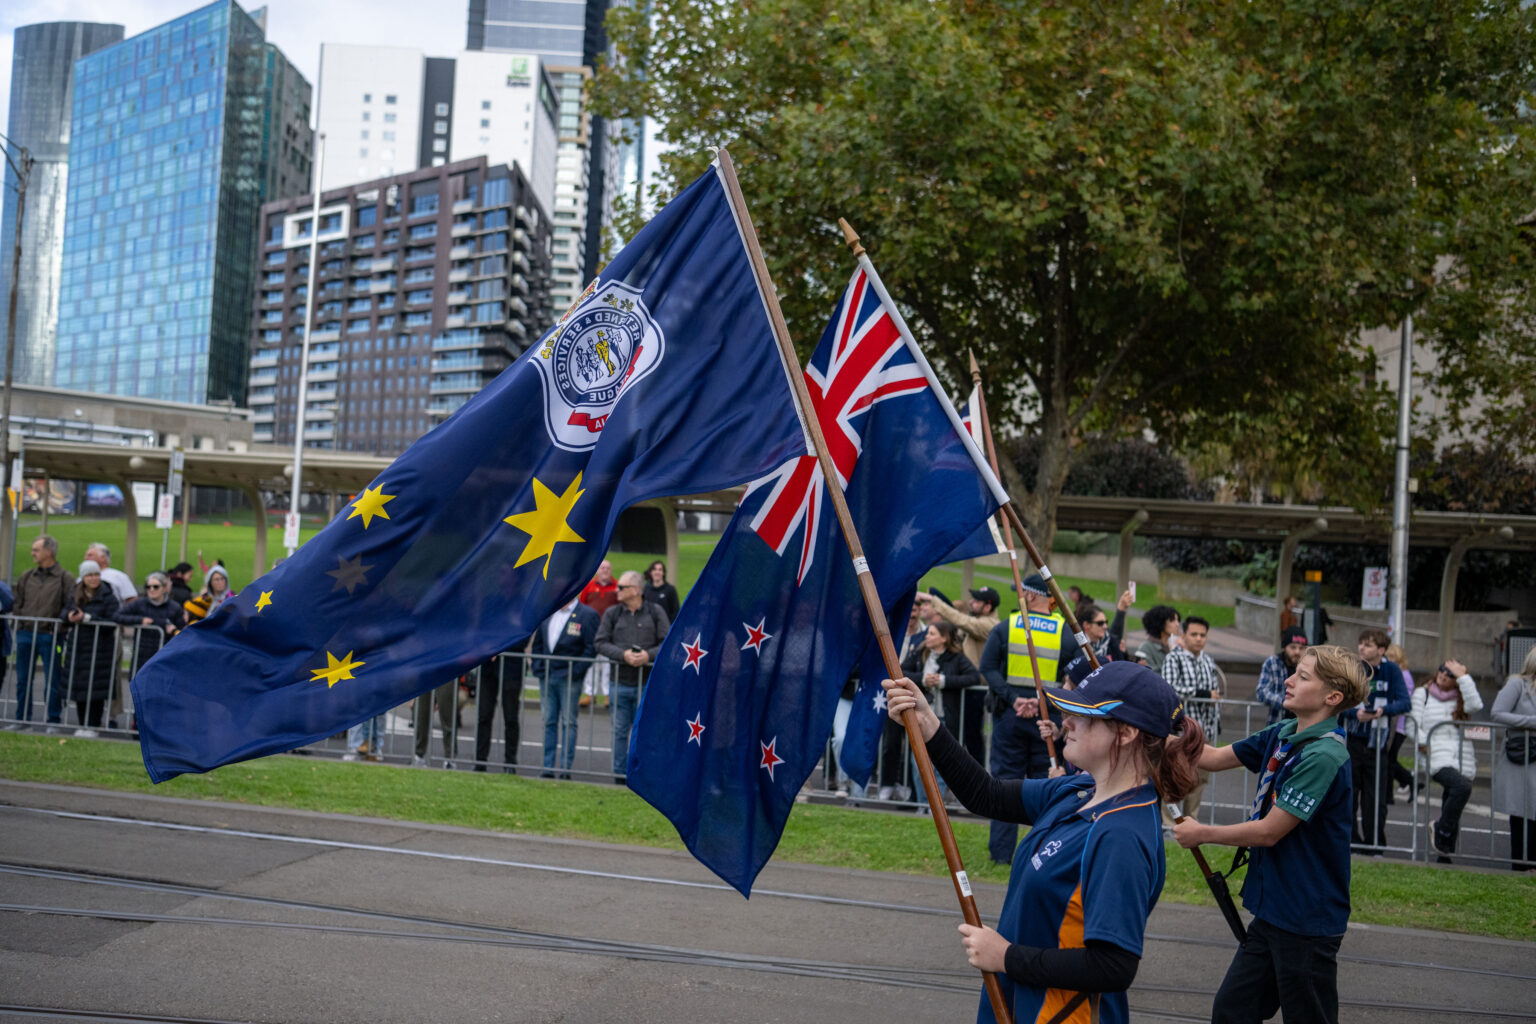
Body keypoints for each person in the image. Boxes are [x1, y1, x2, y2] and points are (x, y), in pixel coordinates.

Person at [884, 660, 1204, 1024]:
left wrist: (1006, 957)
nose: (1065, 721)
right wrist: (928, 724)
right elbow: (985, 794)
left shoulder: (1121, 835)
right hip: (1020, 1003)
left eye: (1082, 714)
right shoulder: (1081, 789)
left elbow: (1113, 966)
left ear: (1127, 732)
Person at [1173, 644, 1369, 1024]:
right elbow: (1212, 758)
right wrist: (1150, 734)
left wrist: (1202, 833)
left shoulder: (1323, 756)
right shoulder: (1285, 732)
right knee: (1233, 1012)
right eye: (1294, 671)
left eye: (1303, 676)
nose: (1290, 680)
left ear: (1332, 697)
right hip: (1274, 913)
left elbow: (1268, 832)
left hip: (1305, 920)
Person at [977, 573, 1078, 865]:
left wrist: (1013, 698)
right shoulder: (1065, 631)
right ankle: (1043, 852)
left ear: (1031, 596)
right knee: (1046, 786)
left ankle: (1000, 855)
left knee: (1004, 783)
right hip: (1048, 720)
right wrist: (1043, 701)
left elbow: (988, 667)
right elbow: (1075, 677)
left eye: (1021, 593)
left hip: (1011, 715)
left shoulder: (1007, 626)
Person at [595, 570, 669, 784]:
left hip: (647, 684)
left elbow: (668, 641)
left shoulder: (655, 612)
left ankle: (643, 775)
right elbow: (600, 642)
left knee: (645, 731)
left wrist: (648, 655)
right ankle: (619, 774)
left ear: (635, 590)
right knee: (619, 731)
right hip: (619, 682)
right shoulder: (612, 613)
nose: (617, 590)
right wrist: (622, 655)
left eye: (621, 587)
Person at [1410, 659, 1483, 863]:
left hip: (1461, 756)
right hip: (1435, 754)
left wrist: (1463, 677)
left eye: (1451, 674)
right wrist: (1423, 742)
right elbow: (1413, 722)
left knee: (1453, 803)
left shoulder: (1461, 698)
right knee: (1461, 788)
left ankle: (1444, 853)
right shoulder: (1422, 693)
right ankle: (1440, 829)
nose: (1443, 674)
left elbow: (1476, 705)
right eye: (1442, 670)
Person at [1346, 628, 1410, 851]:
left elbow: (1405, 702)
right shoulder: (1351, 666)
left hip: (1379, 743)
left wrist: (1384, 710)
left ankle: (1375, 843)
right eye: (1361, 643)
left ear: (1381, 650)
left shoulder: (1391, 670)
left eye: (1369, 645)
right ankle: (1351, 841)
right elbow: (1336, 701)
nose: (1362, 648)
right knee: (1349, 795)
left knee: (1375, 798)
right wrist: (1355, 713)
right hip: (1353, 740)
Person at [530, 595, 599, 777]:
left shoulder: (587, 615)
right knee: (549, 721)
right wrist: (538, 667)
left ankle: (564, 768)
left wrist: (575, 671)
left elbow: (590, 648)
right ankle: (548, 767)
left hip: (569, 679)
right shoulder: (548, 612)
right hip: (547, 676)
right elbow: (538, 644)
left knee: (569, 722)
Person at [900, 618, 981, 768]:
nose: (927, 636)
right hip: (922, 717)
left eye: (932, 634)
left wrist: (945, 681)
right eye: (928, 633)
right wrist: (922, 679)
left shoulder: (956, 657)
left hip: (945, 719)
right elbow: (901, 672)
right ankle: (923, 793)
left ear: (944, 638)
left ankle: (939, 793)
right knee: (919, 764)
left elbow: (974, 677)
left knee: (943, 765)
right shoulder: (920, 653)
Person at [1161, 615, 1221, 819]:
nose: (1199, 639)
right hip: (1180, 731)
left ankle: (1190, 820)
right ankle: (1170, 824)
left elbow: (1215, 693)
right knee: (1174, 777)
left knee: (1200, 779)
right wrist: (1203, 694)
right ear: (1183, 634)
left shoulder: (1208, 660)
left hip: (1205, 731)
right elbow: (1170, 689)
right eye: (1194, 634)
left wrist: (1216, 725)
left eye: (1203, 635)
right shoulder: (1174, 658)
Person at [12, 535, 76, 726]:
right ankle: (21, 718)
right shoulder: (27, 576)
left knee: (52, 680)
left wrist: (57, 628)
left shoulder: (65, 578)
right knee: (23, 679)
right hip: (26, 635)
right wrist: (22, 625)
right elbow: (18, 602)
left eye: (36, 549)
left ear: (49, 552)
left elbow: (69, 606)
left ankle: (53, 719)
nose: (32, 553)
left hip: (51, 637)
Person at [59, 560, 121, 736]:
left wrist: (87, 618)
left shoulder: (108, 595)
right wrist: (69, 617)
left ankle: (93, 725)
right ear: (83, 577)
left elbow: (114, 619)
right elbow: (65, 612)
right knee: (79, 687)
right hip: (78, 647)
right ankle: (82, 724)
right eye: (89, 575)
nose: (93, 578)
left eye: (96, 574)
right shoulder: (76, 593)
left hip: (100, 648)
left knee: (96, 689)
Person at [1490, 646, 1536, 871]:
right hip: (1522, 757)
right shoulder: (1518, 683)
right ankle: (1520, 865)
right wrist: (1532, 722)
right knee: (1521, 812)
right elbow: (1497, 713)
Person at [85, 542, 136, 730]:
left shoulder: (117, 576)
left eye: (90, 555)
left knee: (112, 674)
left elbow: (132, 600)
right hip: (87, 634)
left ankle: (113, 714)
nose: (86, 557)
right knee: (88, 674)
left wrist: (120, 618)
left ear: (103, 558)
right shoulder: (82, 576)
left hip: (111, 632)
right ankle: (90, 715)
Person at [112, 572, 188, 679]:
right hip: (141, 655)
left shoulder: (174, 607)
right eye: (148, 587)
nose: (151, 589)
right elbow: (117, 616)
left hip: (164, 656)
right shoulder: (140, 603)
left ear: (164, 588)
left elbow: (183, 631)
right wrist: (139, 620)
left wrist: (173, 630)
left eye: (156, 586)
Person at [474, 645, 527, 772]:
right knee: (484, 715)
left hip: (511, 668)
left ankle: (510, 762)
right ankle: (480, 761)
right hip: (488, 668)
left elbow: (523, 636)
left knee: (511, 717)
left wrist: (499, 648)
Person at [1062, 591, 1135, 683]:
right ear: (1087, 625)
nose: (1105, 626)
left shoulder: (1110, 643)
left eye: (1106, 622)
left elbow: (1120, 669)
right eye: (1100, 623)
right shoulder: (1076, 646)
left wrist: (1124, 654)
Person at [579, 560, 620, 708]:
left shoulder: (617, 586)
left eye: (608, 568)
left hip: (611, 633)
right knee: (591, 664)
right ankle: (590, 694)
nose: (605, 570)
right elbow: (581, 606)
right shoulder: (589, 586)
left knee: (608, 664)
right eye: (602, 568)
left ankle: (608, 695)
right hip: (591, 632)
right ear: (597, 570)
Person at [1383, 643, 1417, 801]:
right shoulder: (1400, 673)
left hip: (1400, 725)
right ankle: (1406, 782)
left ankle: (1404, 784)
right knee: (1389, 759)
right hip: (1396, 723)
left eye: (1391, 657)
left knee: (1389, 759)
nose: (1388, 660)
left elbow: (1403, 700)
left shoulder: (1403, 675)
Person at [1255, 627, 1308, 726]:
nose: (1297, 652)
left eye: (1301, 648)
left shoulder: (1308, 666)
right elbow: (1261, 691)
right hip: (1277, 724)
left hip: (1303, 725)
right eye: (1293, 647)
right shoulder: (1272, 663)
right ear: (1284, 647)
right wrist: (1284, 702)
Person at [1133, 605, 1180, 676]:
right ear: (1160, 622)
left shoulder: (1173, 646)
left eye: (1178, 620)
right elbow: (1152, 676)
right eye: (1172, 620)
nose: (1177, 624)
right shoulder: (1146, 648)